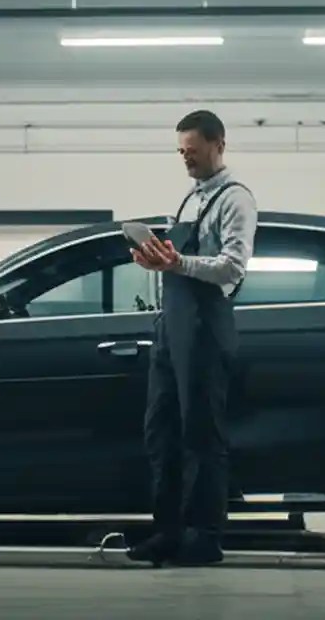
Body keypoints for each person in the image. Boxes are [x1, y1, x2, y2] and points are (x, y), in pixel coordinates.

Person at [126, 109, 258, 566]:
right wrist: (154, 259)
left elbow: (231, 267)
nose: (187, 161)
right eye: (182, 153)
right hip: (172, 326)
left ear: (219, 144)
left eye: (195, 153)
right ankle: (168, 533)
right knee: (160, 431)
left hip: (204, 326)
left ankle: (203, 538)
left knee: (202, 434)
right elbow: (177, 261)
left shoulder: (235, 199)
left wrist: (176, 264)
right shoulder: (189, 198)